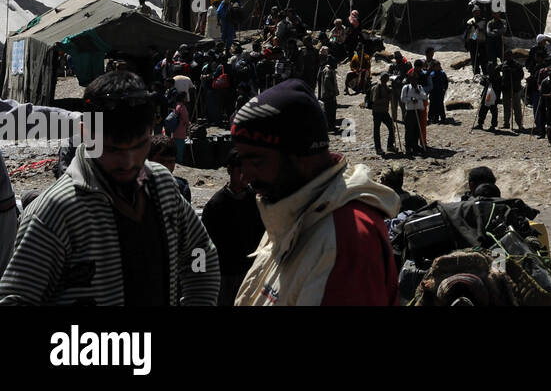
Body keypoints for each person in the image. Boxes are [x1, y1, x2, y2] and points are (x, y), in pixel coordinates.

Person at [0, 71, 219, 306]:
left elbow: (199, 254)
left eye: (139, 146)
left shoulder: (162, 185)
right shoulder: (56, 212)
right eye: (114, 150)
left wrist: (199, 297)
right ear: (86, 136)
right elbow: (16, 299)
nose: (129, 162)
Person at [231, 80, 399, 305]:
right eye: (242, 162)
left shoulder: (345, 242)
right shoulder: (291, 210)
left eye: (257, 162)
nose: (245, 177)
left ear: (302, 156)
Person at [202, 151, 265, 306]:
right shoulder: (216, 204)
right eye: (240, 170)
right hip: (224, 274)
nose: (244, 175)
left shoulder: (256, 200)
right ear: (230, 170)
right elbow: (203, 244)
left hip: (250, 271)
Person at [367, 73, 397, 155]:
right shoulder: (377, 87)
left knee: (392, 127)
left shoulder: (386, 87)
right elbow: (375, 101)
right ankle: (378, 148)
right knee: (377, 131)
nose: (386, 80)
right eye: (385, 78)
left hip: (384, 112)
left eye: (387, 78)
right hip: (377, 112)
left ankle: (390, 146)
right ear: (381, 78)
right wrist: (387, 98)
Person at [401, 74, 428, 156]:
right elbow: (402, 98)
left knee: (417, 130)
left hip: (418, 111)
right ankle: (408, 147)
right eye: (413, 79)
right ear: (410, 80)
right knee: (409, 130)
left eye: (416, 79)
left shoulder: (420, 87)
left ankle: (415, 146)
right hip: (410, 111)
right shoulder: (406, 88)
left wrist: (418, 92)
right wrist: (411, 99)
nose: (414, 81)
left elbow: (425, 97)